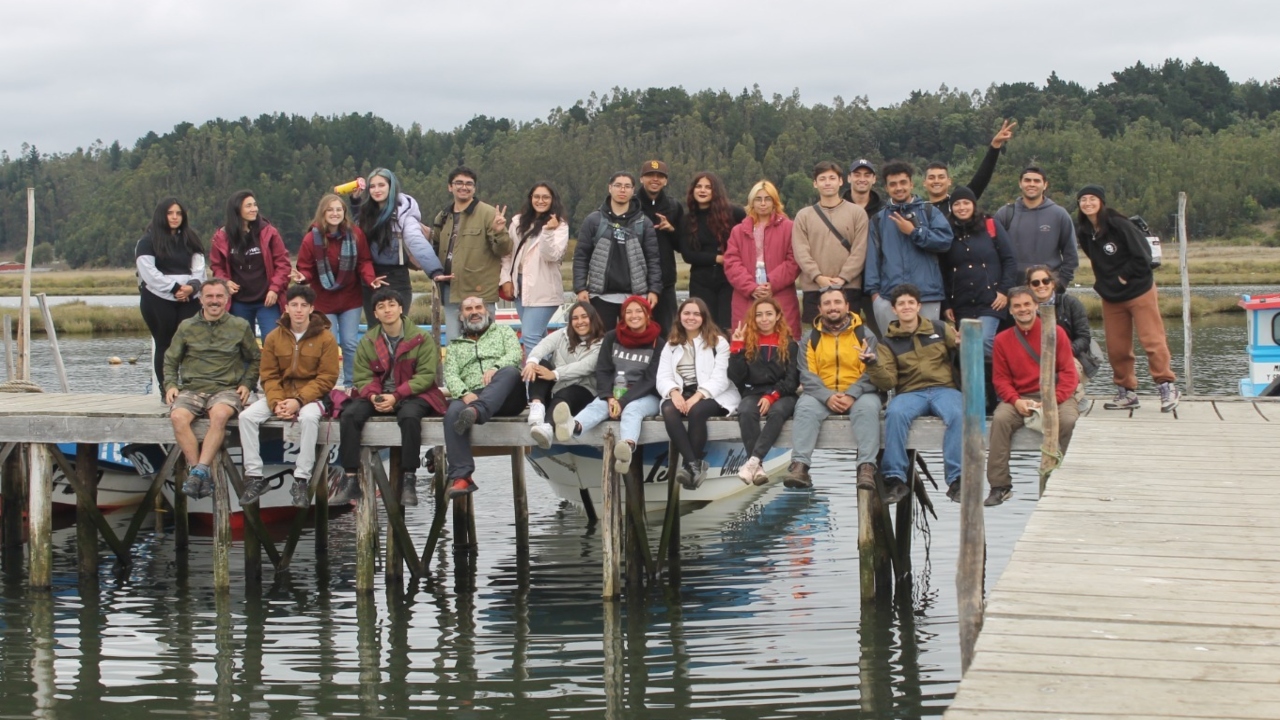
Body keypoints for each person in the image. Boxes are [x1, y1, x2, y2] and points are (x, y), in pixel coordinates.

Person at [334, 287, 447, 507]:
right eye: (381, 307)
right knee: (349, 415)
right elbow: (362, 377)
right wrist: (375, 397)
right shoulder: (368, 341)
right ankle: (350, 478)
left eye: (391, 305)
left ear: (401, 308)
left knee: (410, 417)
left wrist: (396, 396)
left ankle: (408, 478)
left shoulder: (421, 338)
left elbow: (425, 376)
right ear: (375, 313)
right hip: (378, 396)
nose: (387, 310)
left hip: (413, 394)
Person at [1075, 185, 1182, 411]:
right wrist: (1104, 284)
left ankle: (1166, 385)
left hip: (1139, 290)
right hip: (1111, 296)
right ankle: (1126, 392)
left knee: (1152, 341)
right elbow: (1097, 261)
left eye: (1092, 199)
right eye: (1083, 200)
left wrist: (1123, 277)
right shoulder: (1084, 231)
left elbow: (1143, 255)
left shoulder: (1119, 224)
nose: (1087, 203)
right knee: (1117, 347)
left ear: (1101, 202)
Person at [237, 285, 339, 507]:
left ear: (312, 308)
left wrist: (298, 401)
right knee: (246, 417)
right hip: (280, 394)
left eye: (304, 306)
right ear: (286, 308)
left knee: (309, 418)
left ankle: (301, 479)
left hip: (312, 396)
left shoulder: (326, 338)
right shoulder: (274, 337)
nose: (299, 310)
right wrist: (276, 403)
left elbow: (327, 378)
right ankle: (255, 477)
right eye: (294, 305)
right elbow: (269, 375)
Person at [163, 279, 260, 499]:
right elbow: (170, 360)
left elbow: (255, 359)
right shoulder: (186, 326)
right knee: (177, 417)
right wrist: (169, 384)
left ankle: (197, 472)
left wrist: (247, 383)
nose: (214, 301)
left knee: (220, 414)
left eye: (219, 296)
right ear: (200, 300)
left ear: (227, 299)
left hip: (226, 388)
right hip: (192, 388)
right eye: (209, 296)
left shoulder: (240, 326)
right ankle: (200, 472)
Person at [865, 284, 962, 504]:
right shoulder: (887, 342)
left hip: (944, 389)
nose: (906, 307)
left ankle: (957, 480)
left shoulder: (940, 328)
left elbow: (963, 355)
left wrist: (962, 345)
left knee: (958, 413)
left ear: (919, 306)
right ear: (894, 310)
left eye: (911, 302)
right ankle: (896, 479)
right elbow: (888, 381)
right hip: (910, 392)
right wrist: (872, 364)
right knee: (895, 413)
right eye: (901, 304)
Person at [987, 286, 1080, 506]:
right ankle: (1000, 485)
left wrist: (1052, 400)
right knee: (1000, 420)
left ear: (1036, 306)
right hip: (1020, 397)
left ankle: (1061, 479)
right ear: (1010, 310)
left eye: (1027, 304)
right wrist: (1015, 400)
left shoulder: (1056, 332)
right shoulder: (1001, 340)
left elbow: (1069, 373)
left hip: (1056, 394)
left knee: (1068, 420)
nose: (1023, 309)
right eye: (1017, 306)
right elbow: (1000, 379)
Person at [553, 295, 664, 475]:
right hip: (615, 392)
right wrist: (610, 397)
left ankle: (626, 448)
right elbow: (603, 370)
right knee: (597, 406)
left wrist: (622, 401)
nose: (633, 315)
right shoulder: (613, 337)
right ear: (623, 315)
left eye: (638, 311)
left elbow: (650, 379)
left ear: (647, 315)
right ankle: (573, 426)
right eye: (628, 312)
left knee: (632, 410)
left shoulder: (658, 343)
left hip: (645, 395)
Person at [786, 287, 882, 490]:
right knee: (805, 408)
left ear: (847, 306)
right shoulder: (811, 338)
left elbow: (872, 372)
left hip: (860, 393)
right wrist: (827, 396)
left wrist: (851, 394)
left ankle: (866, 467)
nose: (833, 307)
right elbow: (807, 374)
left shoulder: (864, 334)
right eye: (827, 303)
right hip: (821, 393)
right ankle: (800, 465)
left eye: (837, 302)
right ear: (819, 308)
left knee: (867, 410)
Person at [441, 296, 527, 499]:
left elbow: (515, 355)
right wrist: (464, 394)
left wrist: (495, 368)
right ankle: (462, 477)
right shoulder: (455, 346)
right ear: (461, 316)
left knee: (510, 371)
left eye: (478, 307)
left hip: (506, 395)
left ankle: (478, 411)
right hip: (472, 395)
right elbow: (450, 374)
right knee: (453, 413)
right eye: (468, 308)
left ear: (487, 311)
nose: (474, 311)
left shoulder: (504, 332)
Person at [295, 194, 385, 387]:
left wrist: (370, 279)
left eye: (339, 210)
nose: (335, 214)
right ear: (323, 213)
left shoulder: (355, 234)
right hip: (323, 300)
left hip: (350, 299)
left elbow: (364, 261)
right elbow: (305, 267)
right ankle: (327, 385)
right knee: (328, 343)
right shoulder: (312, 238)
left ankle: (352, 385)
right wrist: (303, 277)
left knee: (350, 343)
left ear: (344, 213)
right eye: (330, 210)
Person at [658, 298, 740, 490]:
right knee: (668, 410)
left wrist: (697, 396)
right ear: (680, 316)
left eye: (696, 314)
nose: (691, 318)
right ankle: (695, 465)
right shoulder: (671, 344)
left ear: (704, 317)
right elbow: (662, 375)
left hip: (714, 394)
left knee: (696, 411)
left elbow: (721, 378)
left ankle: (689, 465)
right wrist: (674, 392)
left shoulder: (718, 342)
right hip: (681, 392)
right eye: (687, 313)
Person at [865, 161, 954, 335]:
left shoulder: (929, 212)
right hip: (889, 298)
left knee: (930, 350)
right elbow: (872, 260)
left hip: (927, 295)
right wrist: (875, 295)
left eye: (903, 183)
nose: (899, 188)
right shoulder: (878, 220)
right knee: (894, 351)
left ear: (911, 184)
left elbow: (945, 242)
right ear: (886, 187)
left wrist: (914, 232)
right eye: (893, 184)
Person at [352, 168, 447, 323]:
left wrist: (434, 270)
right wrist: (355, 202)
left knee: (398, 328)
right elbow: (359, 229)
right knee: (375, 330)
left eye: (381, 185)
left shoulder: (404, 213)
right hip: (370, 278)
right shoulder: (366, 212)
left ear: (391, 186)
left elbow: (416, 241)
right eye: (372, 186)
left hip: (397, 277)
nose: (376, 190)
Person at [431, 166, 513, 341]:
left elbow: (503, 250)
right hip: (450, 289)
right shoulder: (443, 216)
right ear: (450, 187)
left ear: (474, 188)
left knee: (485, 341)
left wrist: (499, 231)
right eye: (458, 183)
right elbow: (435, 247)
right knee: (455, 340)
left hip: (479, 289)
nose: (464, 187)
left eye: (469, 184)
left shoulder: (488, 213)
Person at [573, 172, 662, 330]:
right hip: (600, 296)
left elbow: (653, 260)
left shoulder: (643, 223)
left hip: (635, 297)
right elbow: (581, 257)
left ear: (633, 190)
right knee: (601, 342)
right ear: (610, 188)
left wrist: (654, 290)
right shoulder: (594, 221)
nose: (623, 190)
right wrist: (580, 288)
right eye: (618, 185)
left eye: (627, 186)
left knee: (634, 343)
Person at [136, 197, 205, 391]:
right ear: (161, 216)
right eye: (170, 213)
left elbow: (199, 268)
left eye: (178, 213)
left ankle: (192, 387)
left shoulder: (191, 239)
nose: (175, 217)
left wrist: (191, 288)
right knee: (164, 343)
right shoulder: (147, 241)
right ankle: (167, 389)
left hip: (189, 298)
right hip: (158, 299)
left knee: (190, 343)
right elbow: (148, 272)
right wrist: (175, 288)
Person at [728, 297, 799, 486]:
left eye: (769, 314)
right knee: (746, 410)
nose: (764, 319)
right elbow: (737, 377)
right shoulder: (749, 342)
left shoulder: (790, 344)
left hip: (783, 394)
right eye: (759, 315)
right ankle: (757, 468)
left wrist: (772, 395)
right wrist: (737, 349)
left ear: (777, 317)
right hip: (754, 392)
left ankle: (753, 461)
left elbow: (792, 380)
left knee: (777, 412)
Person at [940, 186, 1018, 356]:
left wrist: (1004, 291)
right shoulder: (946, 232)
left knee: (983, 341)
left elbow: (1010, 260)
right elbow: (942, 271)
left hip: (991, 300)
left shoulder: (990, 225)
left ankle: (998, 379)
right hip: (962, 302)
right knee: (967, 346)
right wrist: (946, 304)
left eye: (966, 203)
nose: (962, 207)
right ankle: (974, 383)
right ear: (951, 208)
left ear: (974, 205)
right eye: (957, 204)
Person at [791, 161, 870, 326]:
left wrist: (843, 278)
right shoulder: (804, 216)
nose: (827, 183)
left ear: (841, 181)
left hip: (849, 287)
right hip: (814, 288)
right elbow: (801, 251)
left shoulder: (857, 213)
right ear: (815, 183)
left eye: (832, 178)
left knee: (850, 336)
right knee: (817, 339)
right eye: (822, 179)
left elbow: (860, 250)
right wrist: (818, 277)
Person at [209, 190, 292, 340]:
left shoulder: (269, 232)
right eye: (248, 206)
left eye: (254, 205)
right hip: (239, 301)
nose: (254, 209)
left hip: (267, 300)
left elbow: (283, 264)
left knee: (272, 342)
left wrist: (275, 289)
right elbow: (216, 266)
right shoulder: (222, 236)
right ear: (236, 209)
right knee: (243, 345)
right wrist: (225, 282)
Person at [724, 180, 801, 336]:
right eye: (758, 199)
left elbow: (794, 261)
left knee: (784, 344)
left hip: (780, 295)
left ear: (775, 202)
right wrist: (752, 288)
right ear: (752, 202)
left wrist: (771, 284)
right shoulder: (738, 231)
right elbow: (731, 263)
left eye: (768, 199)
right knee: (746, 345)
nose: (763, 203)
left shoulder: (789, 228)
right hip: (746, 298)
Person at [500, 182, 569, 355]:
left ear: (553, 200)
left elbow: (552, 256)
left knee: (530, 336)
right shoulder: (517, 222)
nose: (540, 200)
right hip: (519, 285)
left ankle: (534, 379)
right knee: (540, 337)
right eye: (536, 196)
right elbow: (508, 254)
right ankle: (549, 375)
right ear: (530, 198)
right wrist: (506, 279)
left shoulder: (559, 225)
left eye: (545, 197)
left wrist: (547, 231)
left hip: (544, 287)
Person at [525, 301, 605, 449]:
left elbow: (586, 367)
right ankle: (537, 406)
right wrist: (531, 361)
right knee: (540, 364)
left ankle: (547, 428)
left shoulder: (602, 343)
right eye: (575, 318)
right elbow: (544, 345)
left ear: (592, 318)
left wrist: (555, 374)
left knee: (568, 392)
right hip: (557, 390)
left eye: (584, 317)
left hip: (582, 392)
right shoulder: (563, 334)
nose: (579, 322)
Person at [994, 166, 1079, 287]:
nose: (1032, 184)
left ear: (1045, 185)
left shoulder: (1059, 214)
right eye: (1027, 180)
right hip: (1012, 287)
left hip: (1046, 286)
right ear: (1020, 183)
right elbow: (992, 251)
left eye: (1037, 181)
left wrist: (1061, 283)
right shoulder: (1005, 214)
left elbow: (1071, 254)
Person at [680, 172, 745, 330]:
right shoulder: (687, 220)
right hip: (701, 281)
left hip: (730, 280)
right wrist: (717, 259)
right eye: (699, 186)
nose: (703, 190)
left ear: (715, 191)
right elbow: (688, 255)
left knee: (728, 326)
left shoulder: (735, 214)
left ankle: (732, 355)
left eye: (708, 187)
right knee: (703, 327)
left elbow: (747, 241)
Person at [1026, 264, 1097, 402]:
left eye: (1045, 281)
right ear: (1029, 287)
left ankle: (1074, 396)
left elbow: (1084, 337)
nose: (1041, 286)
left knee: (1071, 369)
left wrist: (1065, 351)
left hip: (1070, 355)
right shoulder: (1025, 308)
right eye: (1035, 283)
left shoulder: (1071, 303)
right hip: (1035, 356)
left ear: (1053, 283)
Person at [923, 120, 1017, 216]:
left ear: (949, 181)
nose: (936, 181)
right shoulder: (919, 210)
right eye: (931, 178)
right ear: (924, 183)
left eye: (941, 177)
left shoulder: (960, 203)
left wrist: (995, 146)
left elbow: (981, 179)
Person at [637, 160, 685, 335]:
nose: (655, 179)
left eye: (660, 176)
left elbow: (683, 246)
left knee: (667, 333)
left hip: (665, 283)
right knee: (636, 332)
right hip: (635, 282)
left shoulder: (674, 207)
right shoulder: (631, 205)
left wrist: (672, 230)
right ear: (642, 179)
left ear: (666, 181)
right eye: (650, 175)